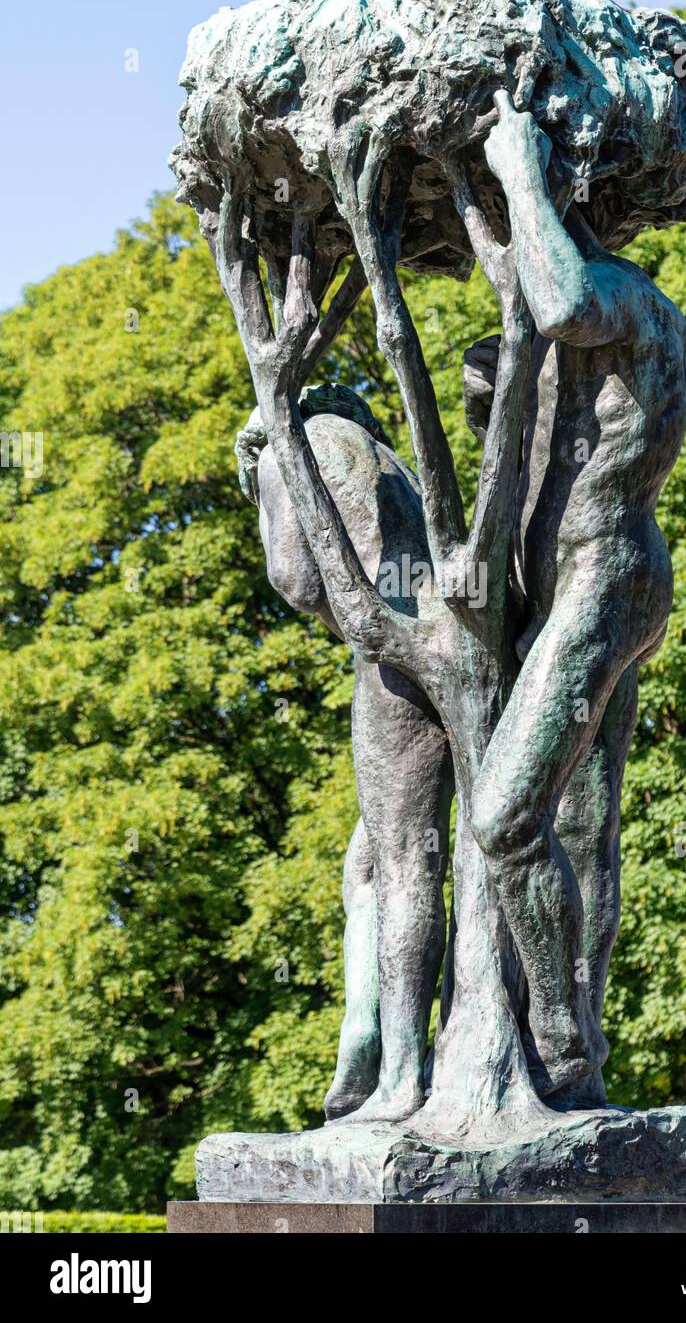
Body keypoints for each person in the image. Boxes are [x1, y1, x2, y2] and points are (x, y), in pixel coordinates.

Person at [463, 90, 686, 1101]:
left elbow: (556, 299)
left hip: (610, 575)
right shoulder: (545, 317)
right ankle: (575, 1066)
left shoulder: (631, 303)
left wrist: (510, 166)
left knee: (506, 817)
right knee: (585, 831)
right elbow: (524, 310)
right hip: (562, 585)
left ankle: (556, 1041)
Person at [236, 385, 453, 1121]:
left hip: (397, 662)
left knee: (399, 870)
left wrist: (265, 492)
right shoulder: (391, 463)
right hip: (462, 648)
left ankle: (391, 1064)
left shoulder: (286, 448)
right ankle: (385, 1034)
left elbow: (296, 582)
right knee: (373, 862)